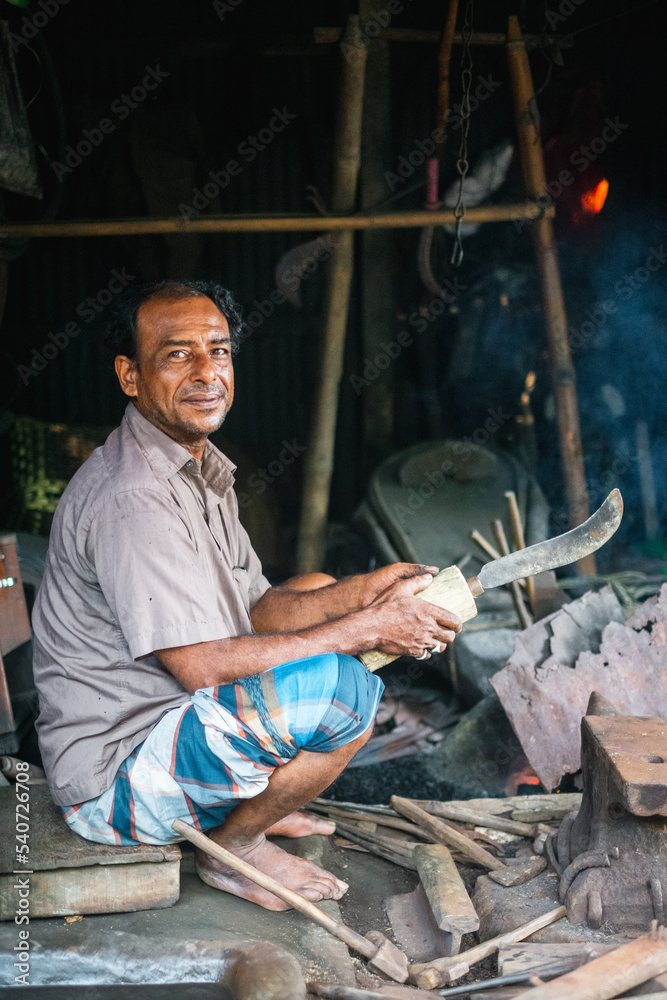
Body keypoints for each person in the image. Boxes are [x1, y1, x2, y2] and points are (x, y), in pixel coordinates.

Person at [32, 280, 461, 910]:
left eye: (220, 351)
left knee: (321, 590)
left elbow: (260, 608)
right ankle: (235, 849)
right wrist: (367, 630)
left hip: (169, 726)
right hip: (114, 782)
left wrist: (364, 593)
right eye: (177, 354)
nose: (207, 372)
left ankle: (253, 801)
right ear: (129, 375)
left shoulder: (196, 467)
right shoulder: (134, 497)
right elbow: (199, 666)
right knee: (345, 689)